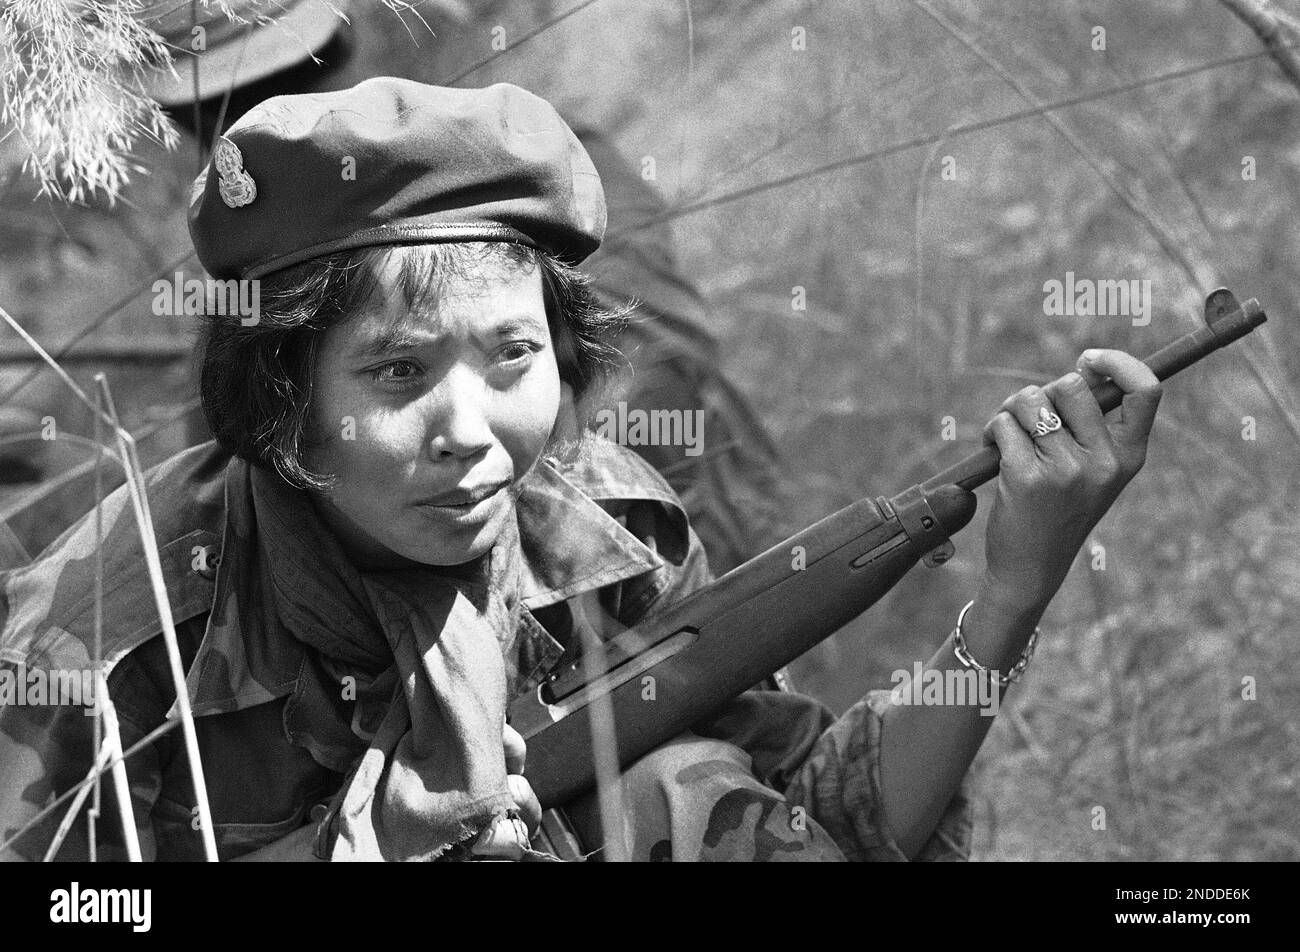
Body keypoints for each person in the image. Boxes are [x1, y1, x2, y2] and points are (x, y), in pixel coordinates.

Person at [0, 78, 1162, 862]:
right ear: (283, 402)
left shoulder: (604, 528)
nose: (474, 430)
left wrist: (1013, 591)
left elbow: (823, 821)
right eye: (398, 376)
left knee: (685, 786)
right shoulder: (114, 629)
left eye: (512, 355)